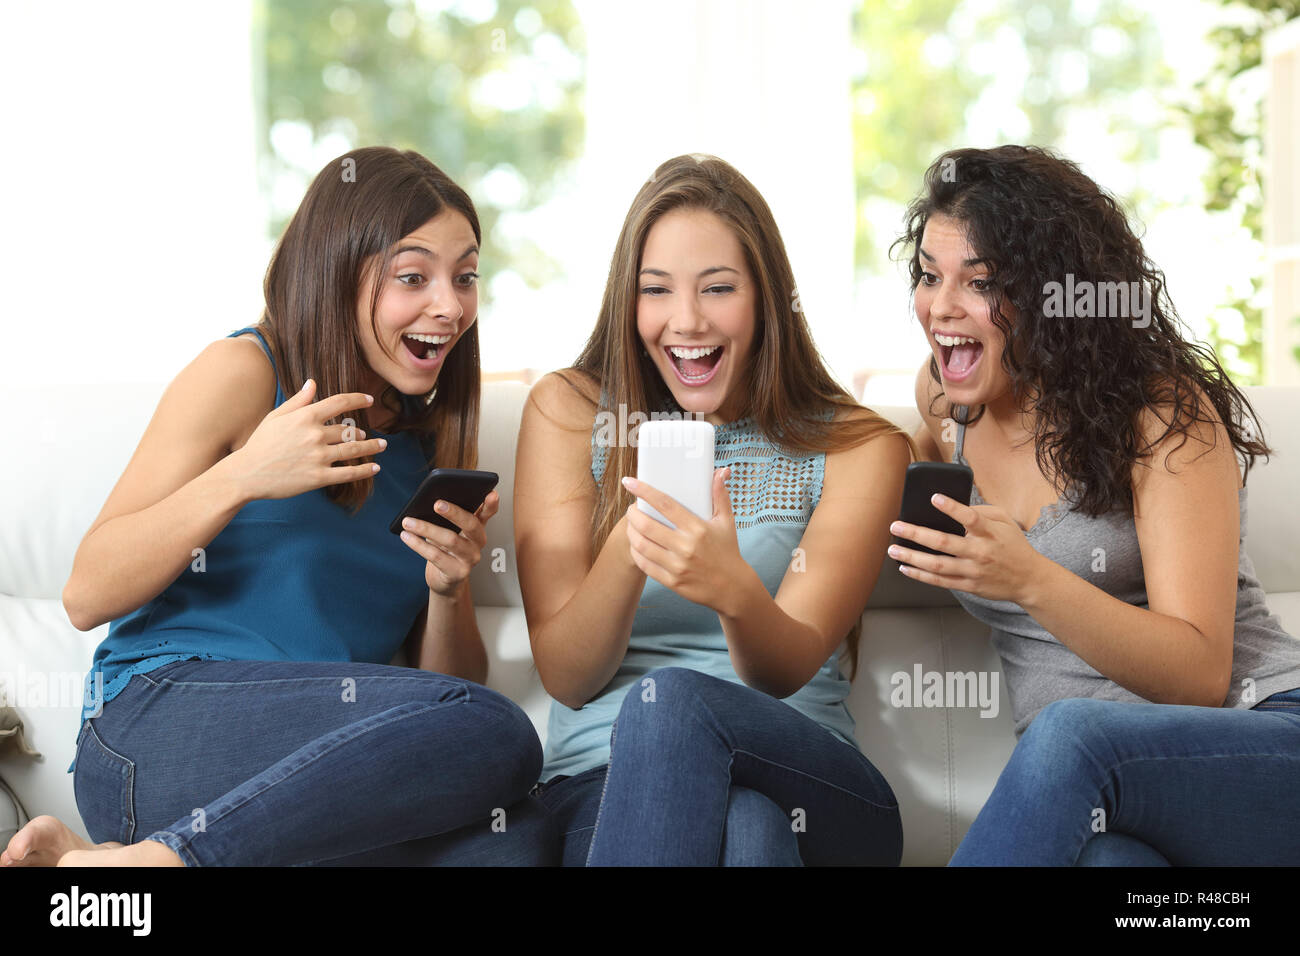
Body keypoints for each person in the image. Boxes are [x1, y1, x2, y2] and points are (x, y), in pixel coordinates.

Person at [2, 147, 553, 867]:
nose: (449, 305)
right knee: (503, 734)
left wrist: (448, 589)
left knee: (512, 840)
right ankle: (160, 864)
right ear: (335, 273)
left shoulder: (422, 446)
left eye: (466, 277)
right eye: (413, 277)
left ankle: (114, 861)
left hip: (310, 778)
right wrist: (244, 475)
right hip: (159, 726)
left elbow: (437, 709)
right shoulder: (244, 372)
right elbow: (86, 592)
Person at [891, 145, 1300, 866]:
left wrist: (1028, 578)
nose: (941, 308)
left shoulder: (1159, 415)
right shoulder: (949, 399)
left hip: (1259, 742)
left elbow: (1201, 676)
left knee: (1070, 734)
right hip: (1104, 808)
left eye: (978, 282)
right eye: (929, 276)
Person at [515, 153, 912, 866]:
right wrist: (630, 543)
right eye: (656, 290)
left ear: (766, 297)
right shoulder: (570, 411)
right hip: (605, 788)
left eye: (719, 288)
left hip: (813, 779)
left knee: (675, 704)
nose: (686, 321)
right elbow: (568, 677)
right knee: (751, 829)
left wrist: (734, 590)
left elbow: (783, 670)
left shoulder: (860, 445)